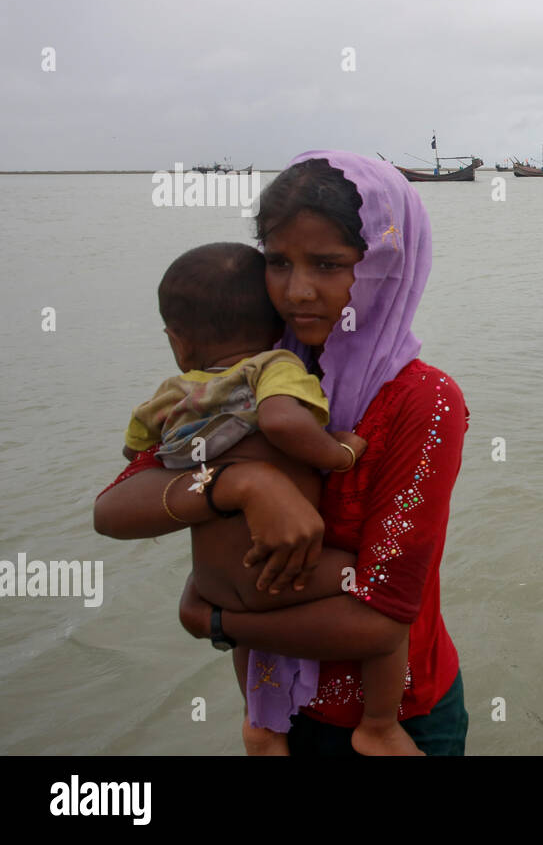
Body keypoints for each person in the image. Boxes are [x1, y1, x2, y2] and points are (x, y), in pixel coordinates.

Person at [94, 152, 470, 756]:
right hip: (281, 717)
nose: (297, 291)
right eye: (277, 262)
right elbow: (113, 508)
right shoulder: (247, 375)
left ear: (385, 265)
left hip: (402, 715)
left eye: (328, 264)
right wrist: (242, 486)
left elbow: (383, 615)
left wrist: (219, 622)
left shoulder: (421, 402)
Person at [120, 242, 428, 756]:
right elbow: (282, 420)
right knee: (378, 593)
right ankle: (379, 725)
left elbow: (133, 459)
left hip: (213, 580)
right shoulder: (272, 367)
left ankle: (262, 726)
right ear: (274, 323)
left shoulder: (171, 395)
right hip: (284, 569)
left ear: (177, 340)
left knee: (251, 639)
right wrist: (340, 454)